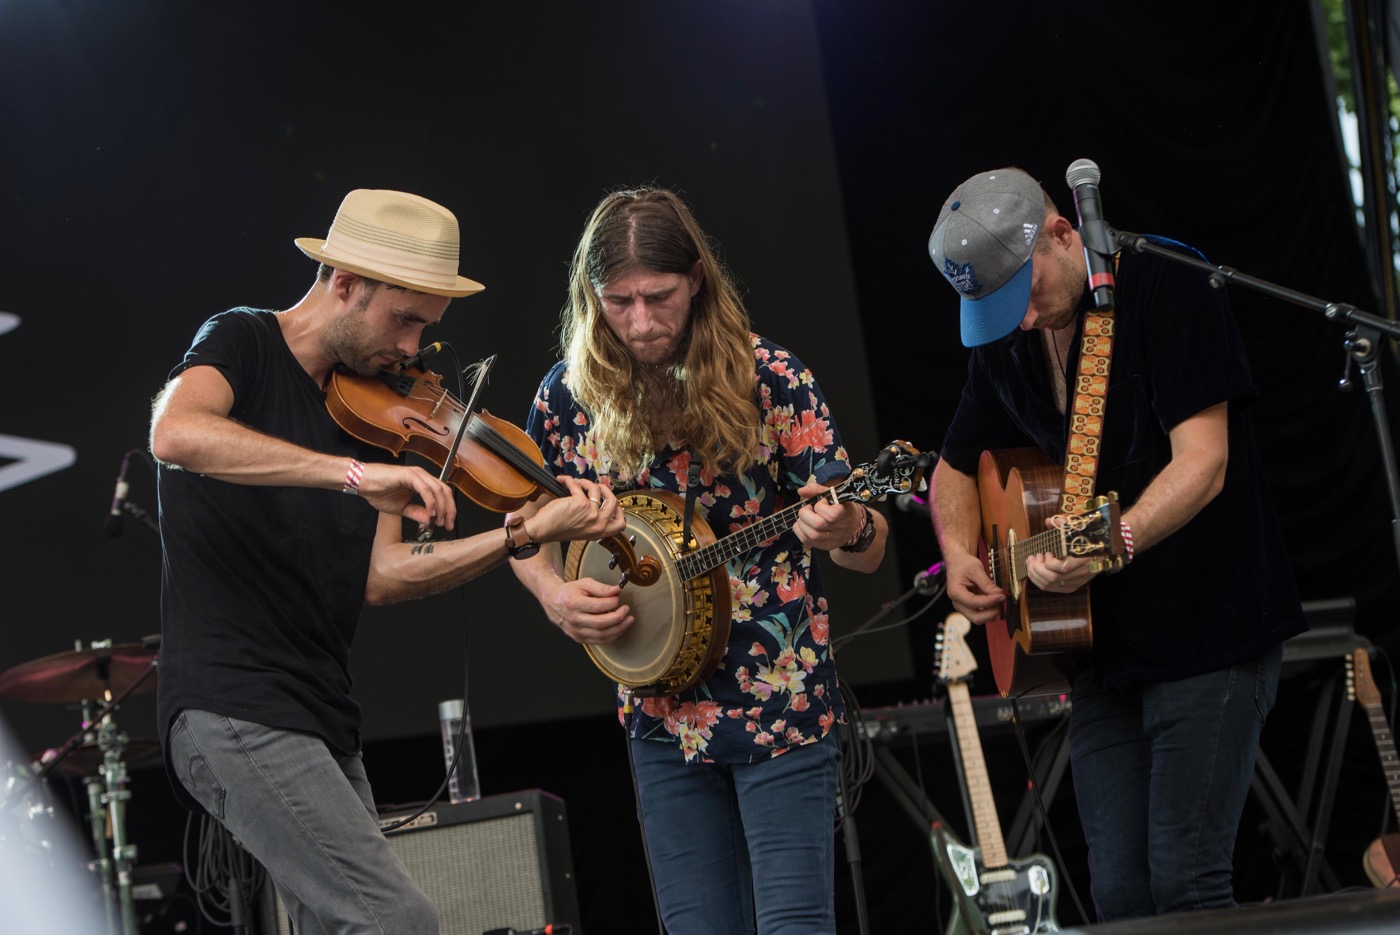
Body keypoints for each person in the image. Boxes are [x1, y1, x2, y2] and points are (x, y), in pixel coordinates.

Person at [148, 189, 623, 934]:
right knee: (394, 920)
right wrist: (351, 475)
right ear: (344, 283)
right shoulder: (242, 342)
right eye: (405, 320)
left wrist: (517, 537)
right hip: (232, 701)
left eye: (427, 328)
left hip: (320, 711)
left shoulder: (371, 416)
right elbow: (174, 434)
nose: (412, 348)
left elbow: (381, 575)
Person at [925, 166, 1306, 921]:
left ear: (1061, 231)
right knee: (1120, 895)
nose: (1023, 321)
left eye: (1025, 294)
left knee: (1185, 882)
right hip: (1102, 655)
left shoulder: (1167, 283)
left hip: (1211, 634)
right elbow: (952, 468)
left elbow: (1205, 462)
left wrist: (1115, 539)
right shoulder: (1006, 342)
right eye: (1000, 310)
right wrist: (964, 551)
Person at [507, 186, 888, 935]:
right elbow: (522, 531)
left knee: (793, 927)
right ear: (591, 297)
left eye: (659, 297)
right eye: (618, 302)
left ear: (698, 283)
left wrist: (845, 526)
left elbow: (868, 551)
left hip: (780, 703)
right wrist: (553, 593)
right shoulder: (565, 398)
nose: (641, 322)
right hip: (658, 716)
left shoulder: (769, 377)